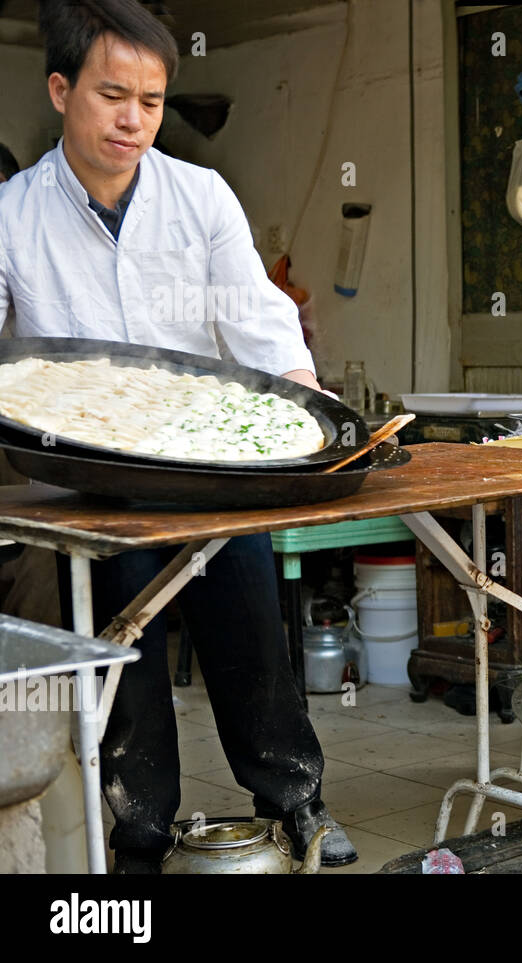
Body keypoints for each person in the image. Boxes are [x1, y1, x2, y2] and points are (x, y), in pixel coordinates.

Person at [0, 0, 355, 870]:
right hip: (99, 480)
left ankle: (297, 801)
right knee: (125, 656)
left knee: (251, 636)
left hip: (213, 467)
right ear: (60, 89)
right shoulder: (13, 214)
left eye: (152, 101)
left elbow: (258, 319)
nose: (133, 121)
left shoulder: (199, 196)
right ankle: (142, 831)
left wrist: (306, 399)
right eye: (112, 95)